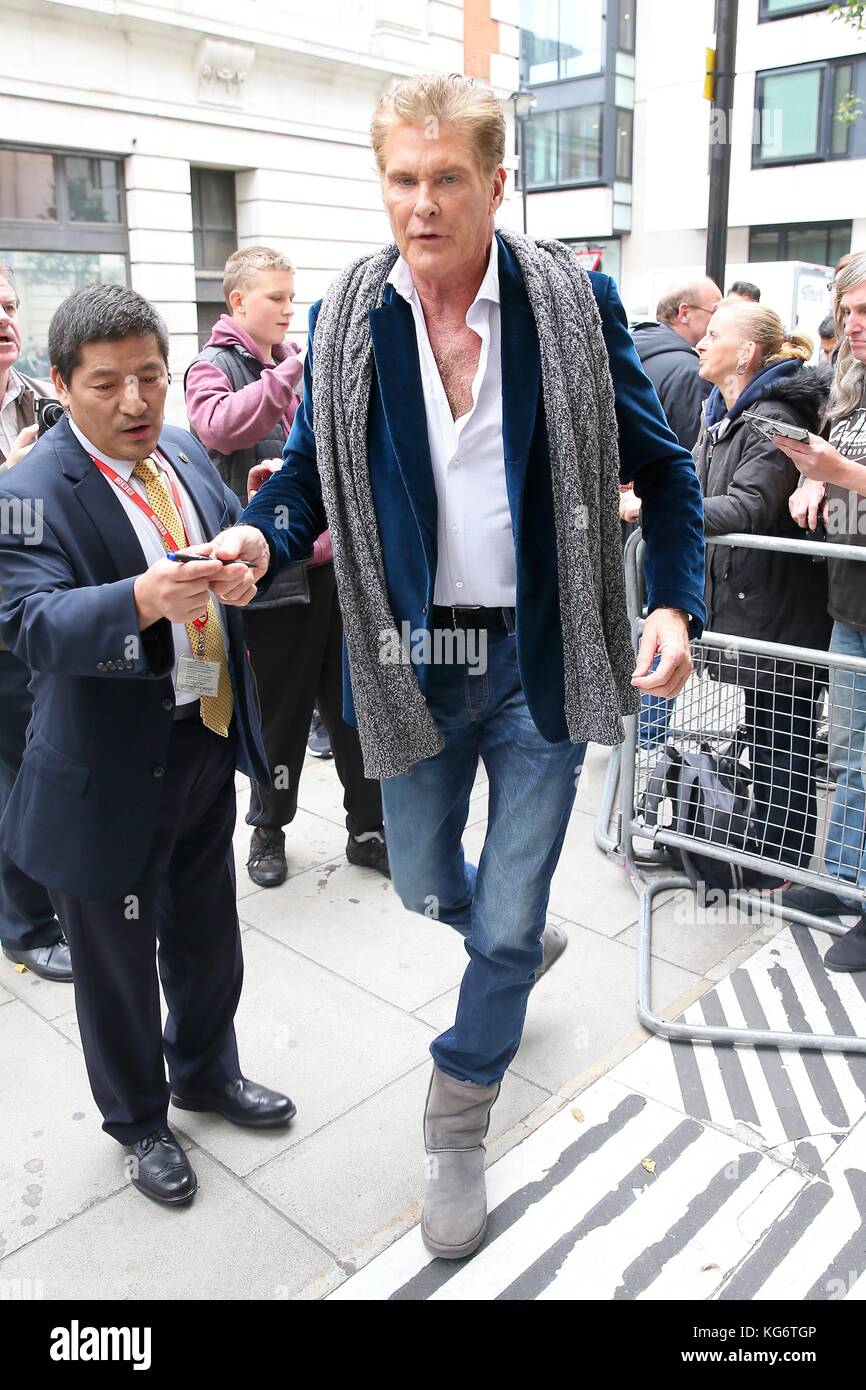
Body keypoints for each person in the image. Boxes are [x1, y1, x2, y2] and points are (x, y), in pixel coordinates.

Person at [206, 74, 706, 1261]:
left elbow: (669, 472)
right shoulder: (346, 315)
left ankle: (457, 1110)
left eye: (444, 179)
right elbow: (308, 479)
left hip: (540, 651)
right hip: (410, 653)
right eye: (399, 178)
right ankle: (508, 944)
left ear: (493, 181)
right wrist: (257, 535)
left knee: (512, 900)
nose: (419, 205)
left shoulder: (571, 302)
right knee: (429, 881)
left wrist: (677, 605)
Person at [0, 284, 295, 1207]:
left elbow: (221, 549)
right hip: (105, 769)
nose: (134, 403)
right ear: (61, 384)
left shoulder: (180, 452)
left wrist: (245, 567)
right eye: (105, 385)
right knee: (118, 969)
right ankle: (138, 1121)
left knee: (208, 937)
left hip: (203, 734)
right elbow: (26, 620)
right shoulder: (28, 492)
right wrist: (139, 600)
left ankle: (206, 1070)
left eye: (149, 379)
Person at [185, 246, 388, 886]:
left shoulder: (295, 368)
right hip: (264, 575)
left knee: (350, 703)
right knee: (278, 706)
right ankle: (269, 829)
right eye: (276, 298)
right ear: (239, 301)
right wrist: (290, 378)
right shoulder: (211, 366)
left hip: (331, 568)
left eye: (292, 298)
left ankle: (369, 827)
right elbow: (216, 427)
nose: (288, 310)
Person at [694, 298, 832, 877]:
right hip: (752, 604)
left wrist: (664, 510)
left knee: (785, 738)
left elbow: (750, 507)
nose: (701, 342)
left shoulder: (773, 418)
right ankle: (770, 845)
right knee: (770, 728)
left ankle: (782, 861)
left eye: (715, 334)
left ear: (746, 353)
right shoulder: (721, 414)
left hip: (780, 608)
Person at [776, 252, 866, 970]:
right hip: (849, 601)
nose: (855, 325)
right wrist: (819, 484)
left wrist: (840, 475)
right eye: (849, 312)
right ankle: (842, 876)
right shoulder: (851, 380)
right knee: (848, 752)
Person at [0, 262, 72, 982]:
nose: (5, 319)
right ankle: (25, 927)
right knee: (11, 781)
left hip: (36, 617)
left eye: (11, 304)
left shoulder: (35, 399)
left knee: (38, 767)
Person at [631, 277, 721, 452]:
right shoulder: (691, 373)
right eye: (715, 310)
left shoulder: (631, 349)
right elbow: (692, 455)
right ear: (684, 313)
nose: (720, 318)